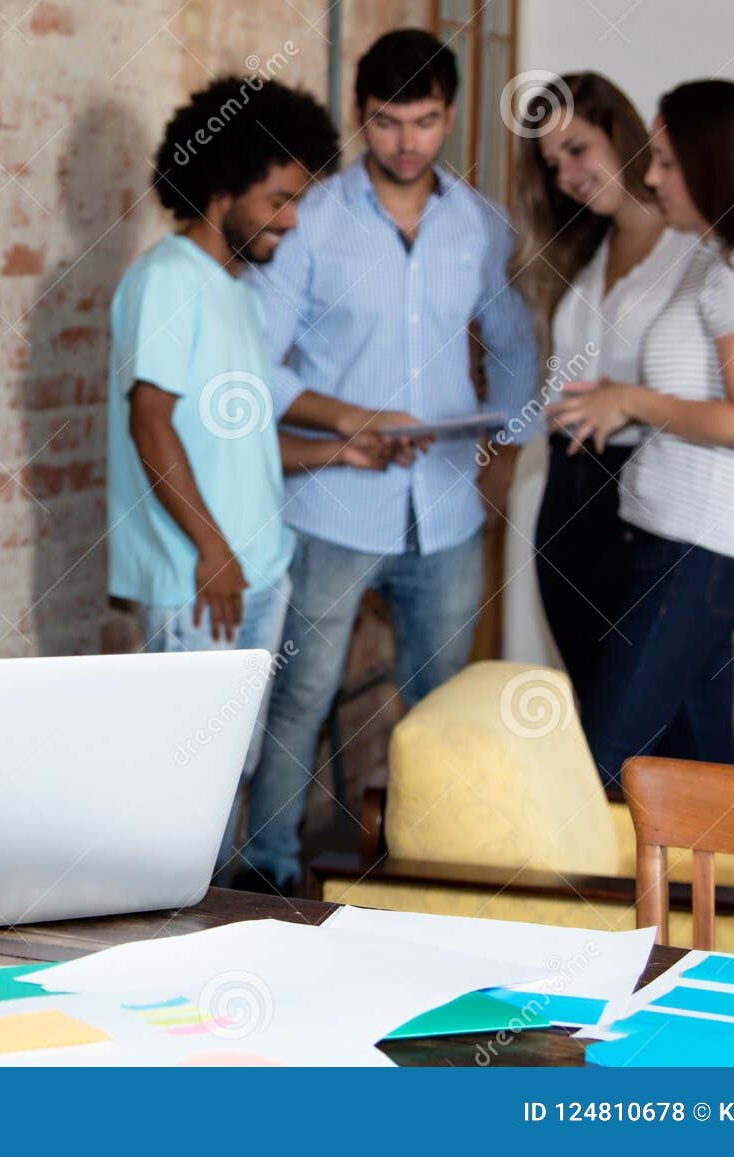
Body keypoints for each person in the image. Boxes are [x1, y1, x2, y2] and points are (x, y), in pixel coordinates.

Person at [235, 28, 538, 893]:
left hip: (445, 508)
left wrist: (502, 452)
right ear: (361, 119)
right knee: (304, 692)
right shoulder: (312, 221)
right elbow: (260, 362)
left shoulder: (481, 226)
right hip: (332, 502)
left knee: (441, 703)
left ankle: (432, 872)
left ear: (450, 117)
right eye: (387, 122)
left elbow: (518, 349)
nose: (407, 141)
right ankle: (268, 868)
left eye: (426, 121)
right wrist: (352, 418)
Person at [109, 77, 375, 878]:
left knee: (227, 779)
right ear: (223, 188)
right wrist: (215, 550)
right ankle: (170, 947)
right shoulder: (164, 281)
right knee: (188, 791)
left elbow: (248, 444)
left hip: (254, 573)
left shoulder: (237, 294)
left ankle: (208, 937)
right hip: (204, 582)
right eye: (279, 199)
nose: (292, 220)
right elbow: (148, 420)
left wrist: (343, 451)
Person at [548, 80, 734, 785]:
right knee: (701, 774)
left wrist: (630, 400)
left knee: (603, 765)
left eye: (667, 161)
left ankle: (555, 898)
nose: (651, 174)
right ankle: (718, 897)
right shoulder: (711, 259)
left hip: (696, 558)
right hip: (674, 545)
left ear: (711, 165)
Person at [506, 73, 699, 705]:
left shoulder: (694, 250)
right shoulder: (582, 251)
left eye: (577, 148)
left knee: (650, 708)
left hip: (646, 492)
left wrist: (631, 398)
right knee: (593, 698)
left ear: (620, 133)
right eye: (552, 162)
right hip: (567, 494)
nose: (565, 173)